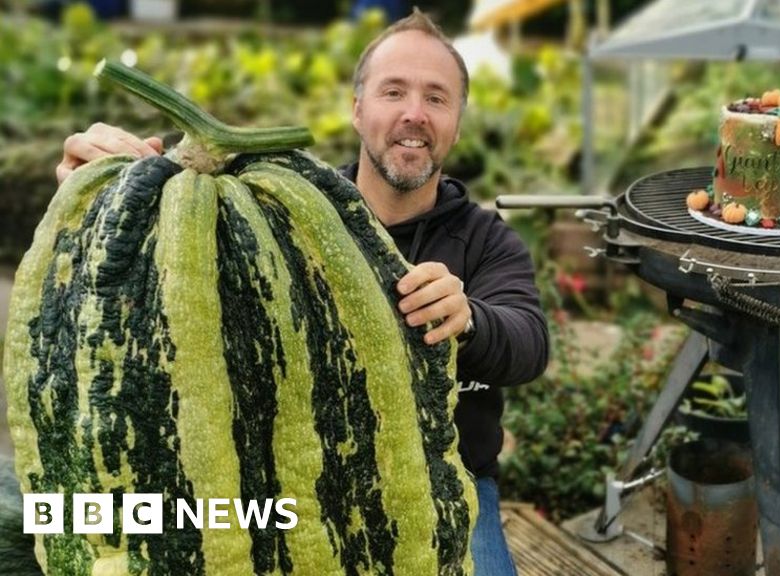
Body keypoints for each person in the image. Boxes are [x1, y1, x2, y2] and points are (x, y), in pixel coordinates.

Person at [56, 9, 549, 575]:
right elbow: (152, 294)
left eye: (437, 98)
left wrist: (471, 318)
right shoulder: (277, 217)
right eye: (394, 91)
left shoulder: (486, 240)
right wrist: (96, 199)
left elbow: (529, 342)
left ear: (457, 121)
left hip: (449, 478)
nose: (414, 113)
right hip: (302, 485)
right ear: (357, 109)